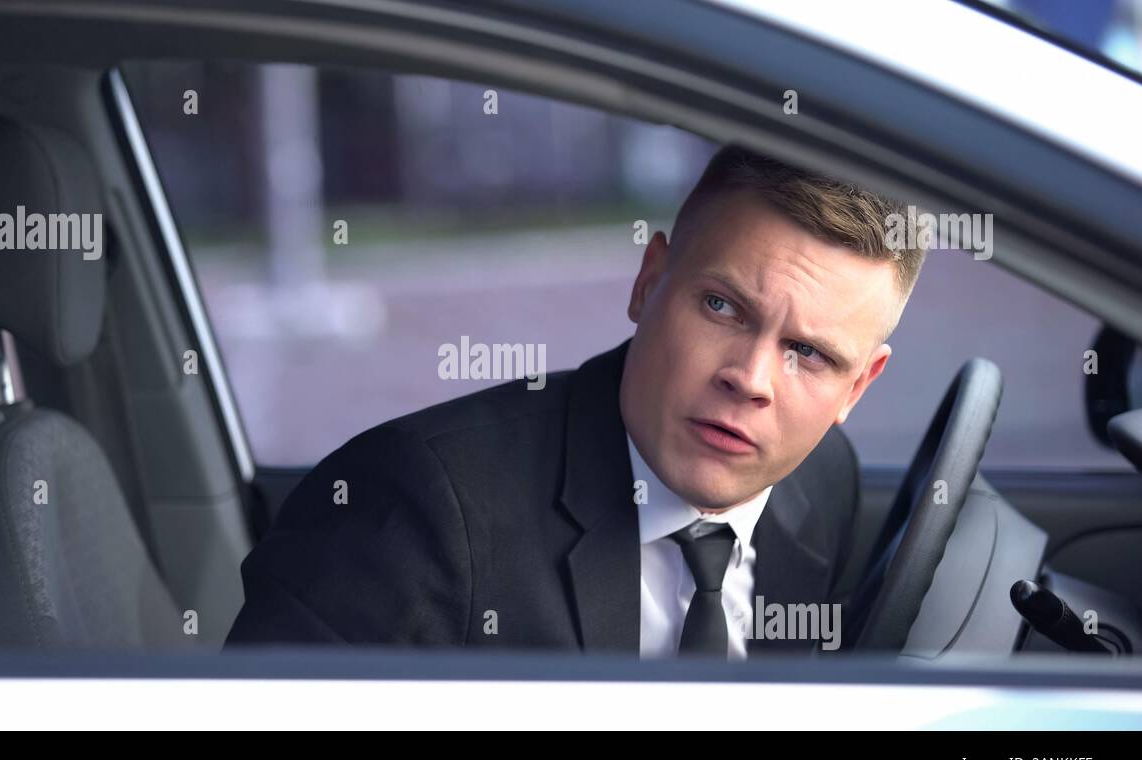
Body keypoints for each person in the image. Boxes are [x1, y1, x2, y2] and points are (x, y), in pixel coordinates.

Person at [227, 145, 925, 657]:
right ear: (648, 282)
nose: (751, 378)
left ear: (858, 387)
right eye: (722, 306)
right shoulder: (413, 512)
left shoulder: (822, 482)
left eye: (810, 354)